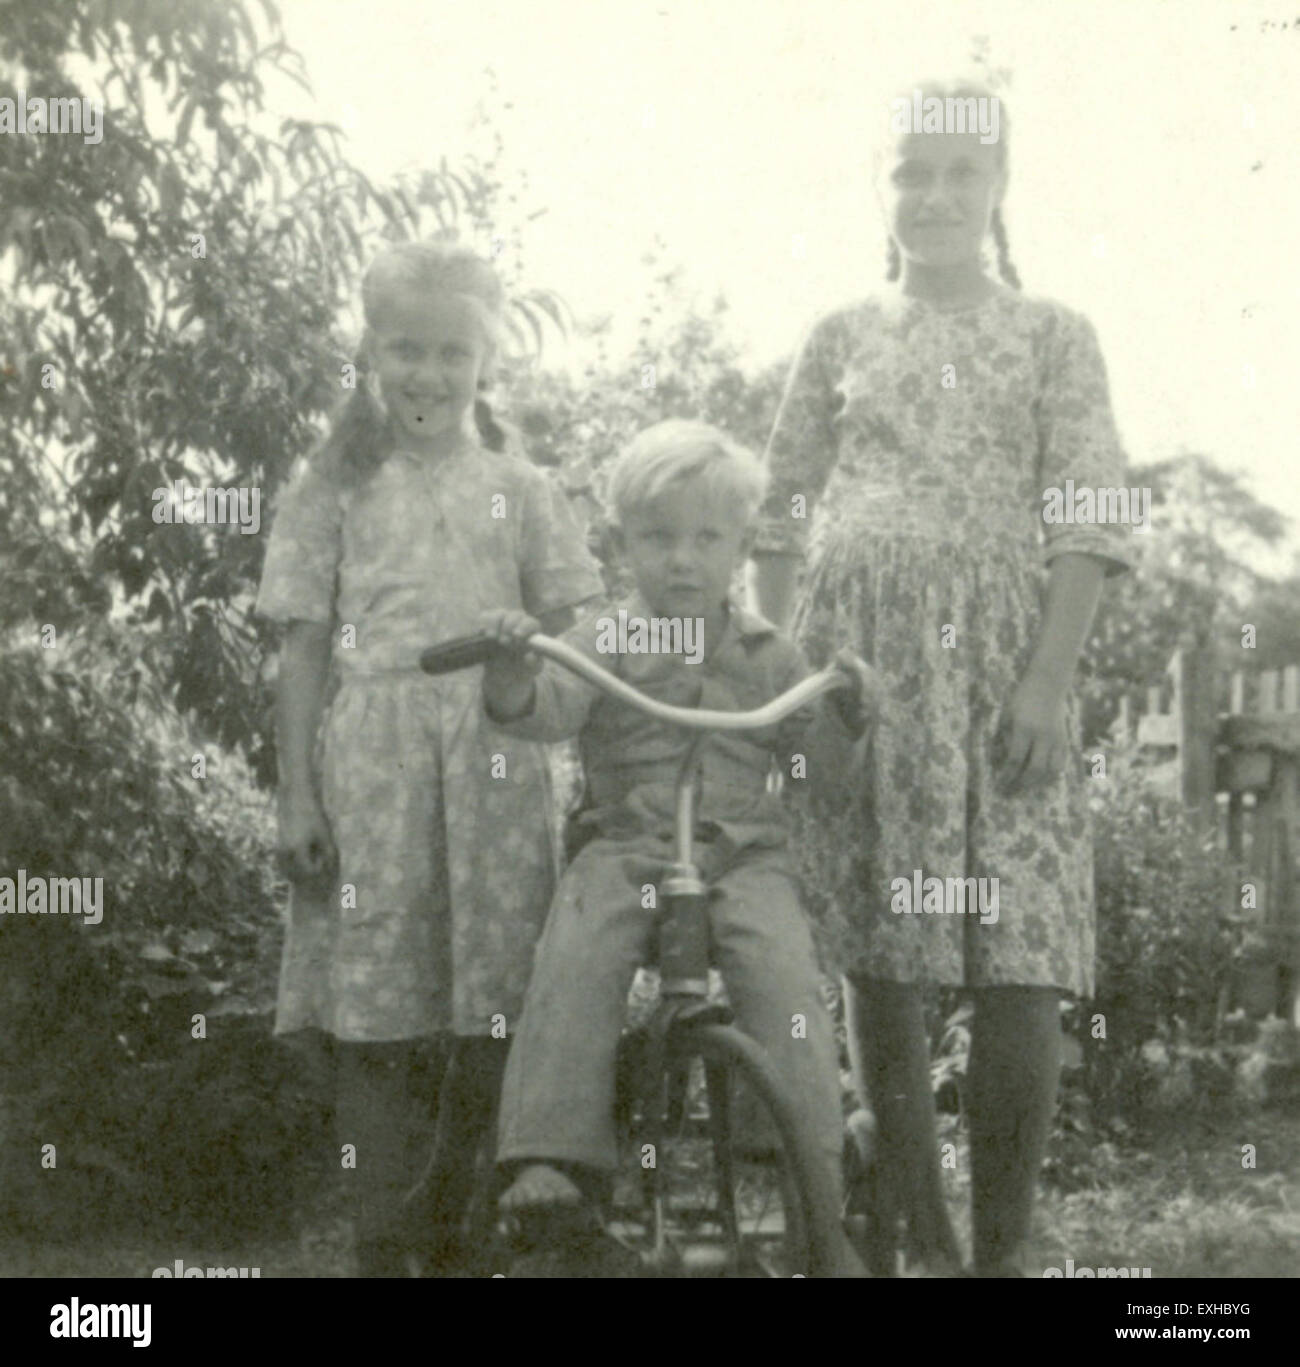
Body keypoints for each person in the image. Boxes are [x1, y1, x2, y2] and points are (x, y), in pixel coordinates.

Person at [749, 79, 1135, 1277]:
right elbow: (773, 518)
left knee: (1022, 960)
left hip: (1002, 671)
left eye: (959, 172)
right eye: (911, 171)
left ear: (999, 185)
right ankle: (920, 1237)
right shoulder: (839, 331)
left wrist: (1042, 683)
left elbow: (1086, 519)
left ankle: (1003, 1253)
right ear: (882, 185)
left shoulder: (1053, 332)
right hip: (863, 674)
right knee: (890, 954)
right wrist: (800, 673)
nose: (933, 195)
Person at [255, 240, 602, 1275]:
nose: (428, 374)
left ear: (485, 359)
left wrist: (535, 678)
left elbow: (577, 633)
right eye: (406, 348)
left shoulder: (524, 487)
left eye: (453, 352)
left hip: (497, 772)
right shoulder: (329, 490)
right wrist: (297, 797)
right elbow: (302, 649)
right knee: (379, 1016)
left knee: (494, 1004)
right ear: (370, 351)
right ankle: (383, 1236)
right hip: (375, 774)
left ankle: (472, 1235)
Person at [477, 420, 874, 1252]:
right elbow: (544, 709)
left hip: (741, 854)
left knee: (783, 973)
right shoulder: (610, 638)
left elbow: (815, 771)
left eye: (707, 538)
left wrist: (840, 715)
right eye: (659, 538)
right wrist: (514, 671)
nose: (683, 559)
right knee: (577, 950)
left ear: (739, 548)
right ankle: (551, 1157)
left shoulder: (772, 655)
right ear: (623, 546)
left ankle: (809, 1163)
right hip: (628, 843)